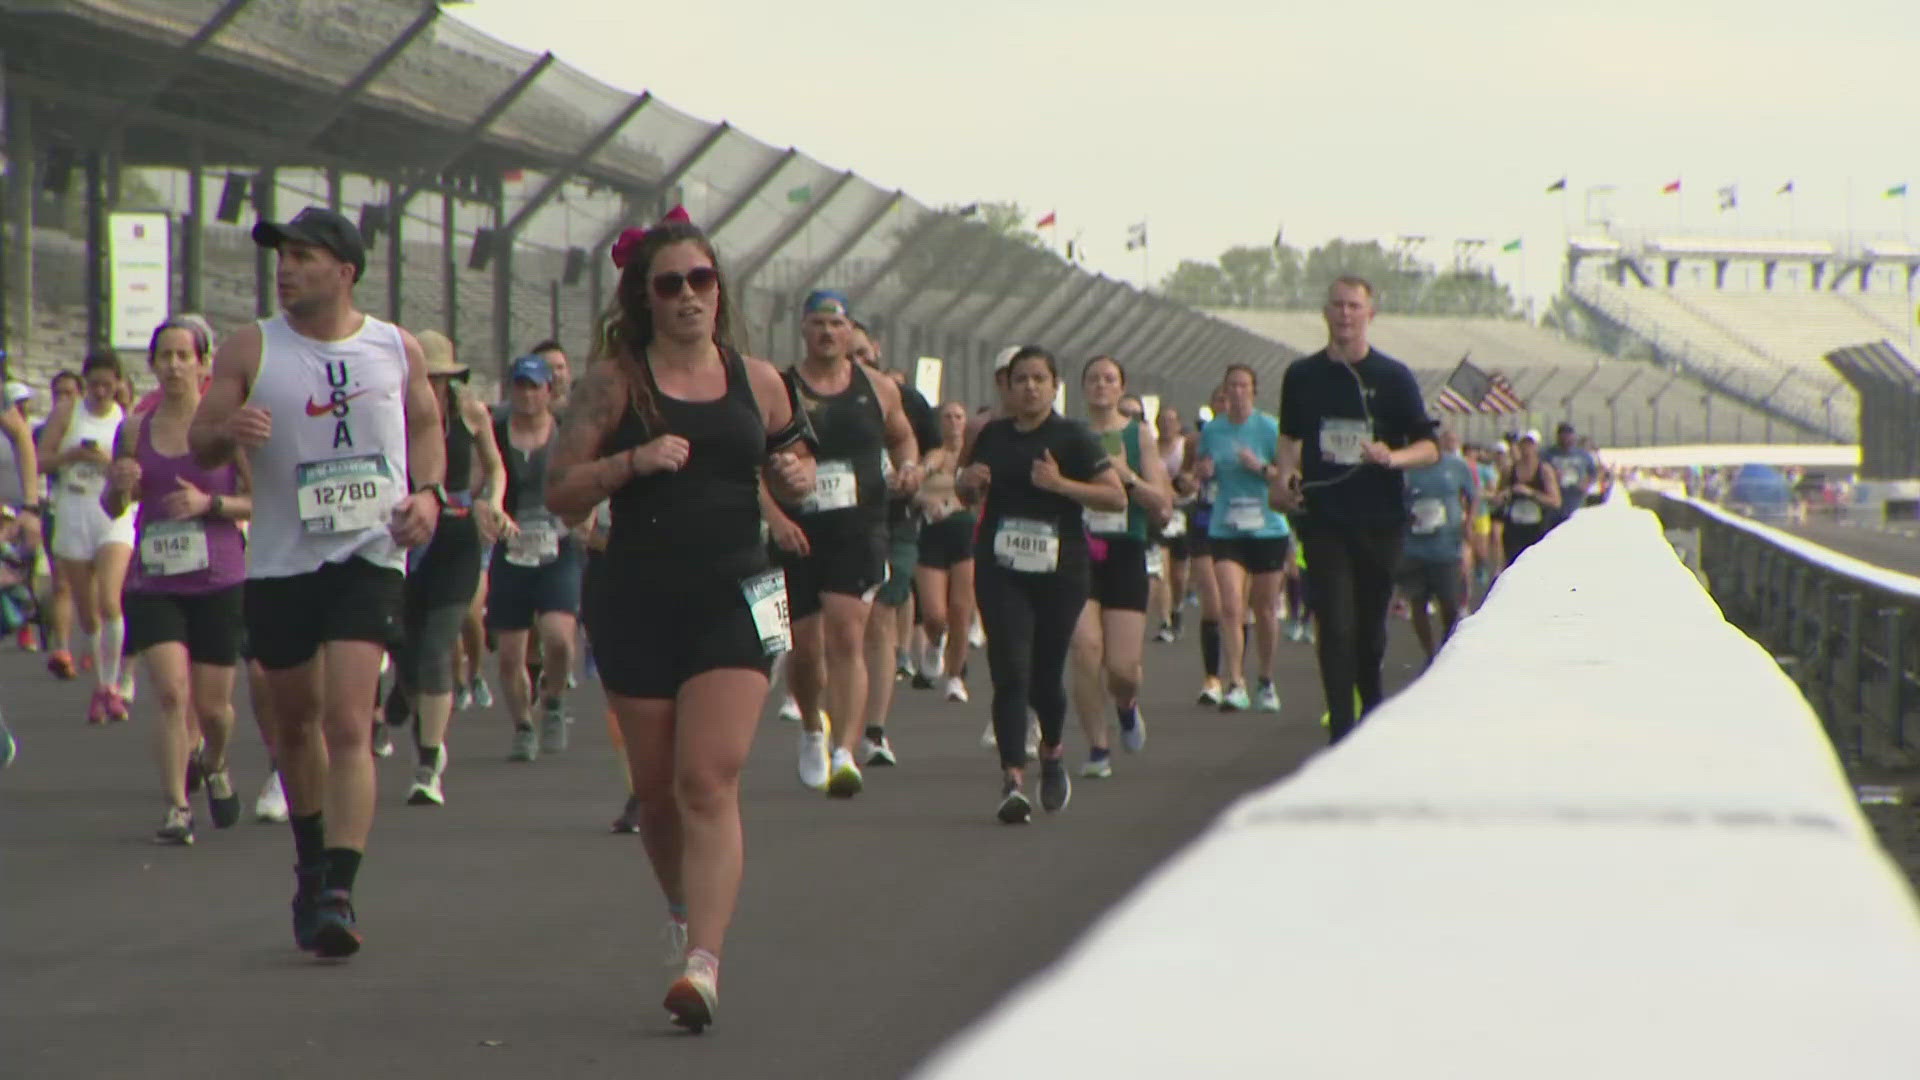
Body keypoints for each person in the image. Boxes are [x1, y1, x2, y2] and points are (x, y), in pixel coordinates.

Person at [544, 210, 813, 1032]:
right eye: (671, 284)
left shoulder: (760, 379)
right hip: (636, 596)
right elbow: (559, 490)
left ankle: (704, 961)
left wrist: (796, 480)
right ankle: (678, 902)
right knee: (656, 792)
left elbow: (790, 459)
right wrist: (632, 461)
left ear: (719, 290)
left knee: (709, 778)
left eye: (702, 280)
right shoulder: (614, 383)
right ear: (645, 297)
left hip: (743, 592)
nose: (690, 295)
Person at [190, 206, 445, 958]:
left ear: (345, 269)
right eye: (282, 256)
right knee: (294, 725)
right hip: (280, 560)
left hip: (369, 552)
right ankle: (310, 860)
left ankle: (339, 885)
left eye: (303, 255)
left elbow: (427, 423)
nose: (287, 267)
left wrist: (428, 494)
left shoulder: (393, 348)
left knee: (346, 720)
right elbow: (203, 439)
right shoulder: (251, 346)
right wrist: (228, 431)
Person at [958, 347, 1126, 823]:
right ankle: (1012, 778)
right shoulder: (990, 434)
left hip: (1061, 569)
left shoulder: (1073, 436)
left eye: (1039, 379)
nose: (1030, 387)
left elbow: (1114, 497)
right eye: (1021, 379)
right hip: (1000, 566)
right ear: (1007, 387)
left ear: (1055, 387)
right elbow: (965, 491)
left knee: (1045, 676)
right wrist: (967, 482)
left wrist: (1061, 485)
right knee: (1010, 668)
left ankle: (1051, 751)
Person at [762, 289, 919, 797]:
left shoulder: (878, 388)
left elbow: (903, 438)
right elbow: (749, 460)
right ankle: (813, 728)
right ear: (803, 330)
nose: (828, 332)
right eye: (817, 324)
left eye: (836, 323)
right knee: (805, 648)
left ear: (850, 331)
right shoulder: (779, 388)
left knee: (848, 636)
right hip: (798, 529)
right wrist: (774, 512)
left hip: (860, 527)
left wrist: (909, 468)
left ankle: (845, 751)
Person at [1272, 277, 1438, 744]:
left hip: (1379, 520)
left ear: (1370, 314)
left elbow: (1429, 447)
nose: (1345, 314)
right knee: (1335, 622)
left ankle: (1372, 707)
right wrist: (1284, 478)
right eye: (1338, 305)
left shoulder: (1393, 377)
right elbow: (1289, 439)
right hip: (1323, 517)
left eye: (1354, 306)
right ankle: (1342, 728)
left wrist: (1393, 457)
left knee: (1367, 630)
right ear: (1325, 313)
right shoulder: (1302, 376)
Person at [106, 317, 252, 844]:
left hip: (218, 578)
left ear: (203, 363)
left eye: (182, 356)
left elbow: (261, 500)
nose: (171, 366)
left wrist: (209, 504)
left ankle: (213, 763)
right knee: (170, 693)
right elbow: (113, 503)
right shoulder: (135, 429)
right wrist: (120, 487)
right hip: (155, 579)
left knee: (214, 709)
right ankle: (176, 808)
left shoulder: (225, 428)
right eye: (163, 356)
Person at [389, 331, 503, 805]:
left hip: (455, 537)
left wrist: (490, 503)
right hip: (404, 539)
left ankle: (429, 760)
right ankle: (409, 695)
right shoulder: (391, 415)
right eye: (425, 378)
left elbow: (495, 467)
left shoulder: (470, 414)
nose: (433, 387)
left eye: (440, 379)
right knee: (407, 648)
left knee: (438, 645)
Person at [1070, 356, 1173, 777]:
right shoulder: (1069, 435)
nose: (1100, 385)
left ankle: (1127, 707)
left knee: (1122, 670)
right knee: (1085, 649)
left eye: (1109, 379)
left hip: (1126, 550)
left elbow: (1162, 506)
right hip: (1078, 550)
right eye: (1092, 378)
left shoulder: (1138, 434)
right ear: (1082, 387)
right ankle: (1098, 749)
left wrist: (1126, 477)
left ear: (1121, 388)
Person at [848, 321, 939, 765]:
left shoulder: (903, 400)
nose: (857, 364)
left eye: (864, 354)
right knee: (842, 628)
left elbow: (935, 447)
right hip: (838, 523)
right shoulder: (814, 397)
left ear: (878, 350)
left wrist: (916, 470)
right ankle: (829, 726)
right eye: (850, 357)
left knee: (881, 614)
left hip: (895, 522)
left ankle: (874, 731)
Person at [490, 352, 583, 762]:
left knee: (559, 640)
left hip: (557, 547)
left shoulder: (566, 433)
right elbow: (481, 482)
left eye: (535, 387)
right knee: (510, 655)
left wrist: (585, 515)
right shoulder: (494, 433)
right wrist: (485, 509)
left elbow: (588, 479)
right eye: (520, 386)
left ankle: (555, 701)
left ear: (550, 391)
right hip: (510, 550)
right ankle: (523, 726)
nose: (527, 395)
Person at [38, 351, 136, 719]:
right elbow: (41, 458)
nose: (100, 391)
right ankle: (100, 685)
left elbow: (139, 467)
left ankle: (112, 685)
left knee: (110, 599)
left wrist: (107, 463)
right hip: (74, 506)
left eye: (107, 385)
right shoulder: (68, 413)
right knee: (87, 610)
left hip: (112, 510)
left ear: (119, 384)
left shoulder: (128, 418)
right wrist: (72, 455)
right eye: (94, 384)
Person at [1200, 363, 1291, 713]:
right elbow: (1203, 472)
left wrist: (1261, 468)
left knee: (1265, 609)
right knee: (1230, 605)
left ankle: (1266, 680)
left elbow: (1286, 477)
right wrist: (1204, 472)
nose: (1236, 392)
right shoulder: (1213, 430)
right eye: (1231, 387)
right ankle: (1235, 681)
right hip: (1227, 527)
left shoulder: (1269, 429)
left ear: (1253, 391)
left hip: (1267, 526)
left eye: (1243, 386)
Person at [1396, 427, 1478, 663]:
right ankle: (1430, 654)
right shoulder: (1407, 469)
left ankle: (1446, 651)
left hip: (1446, 547)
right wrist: (1405, 517)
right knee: (1418, 604)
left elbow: (1472, 494)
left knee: (1450, 605)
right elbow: (1396, 501)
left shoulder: (1456, 466)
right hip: (1414, 547)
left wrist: (1468, 523)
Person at [913, 401, 976, 703]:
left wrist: (956, 504)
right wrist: (927, 502)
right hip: (934, 535)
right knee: (935, 614)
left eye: (959, 416)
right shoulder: (935, 455)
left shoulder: (974, 458)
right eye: (947, 417)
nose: (953, 422)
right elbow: (916, 485)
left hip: (967, 536)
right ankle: (935, 643)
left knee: (961, 610)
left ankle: (955, 676)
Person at [1494, 430, 1561, 566]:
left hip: (1537, 526)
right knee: (1513, 564)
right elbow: (1498, 497)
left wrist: (1530, 493)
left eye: (1530, 444)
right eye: (1524, 444)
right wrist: (1506, 494)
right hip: (1514, 527)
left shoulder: (1544, 470)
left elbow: (1555, 501)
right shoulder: (1509, 470)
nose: (1527, 448)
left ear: (1536, 447)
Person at [1542, 421, 1600, 522]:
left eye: (1569, 434)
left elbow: (1594, 472)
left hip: (1576, 502)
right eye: (1563, 435)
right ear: (1558, 437)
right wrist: (1551, 476)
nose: (1566, 438)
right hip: (1554, 504)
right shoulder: (1548, 454)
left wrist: (1587, 483)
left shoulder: (1583, 455)